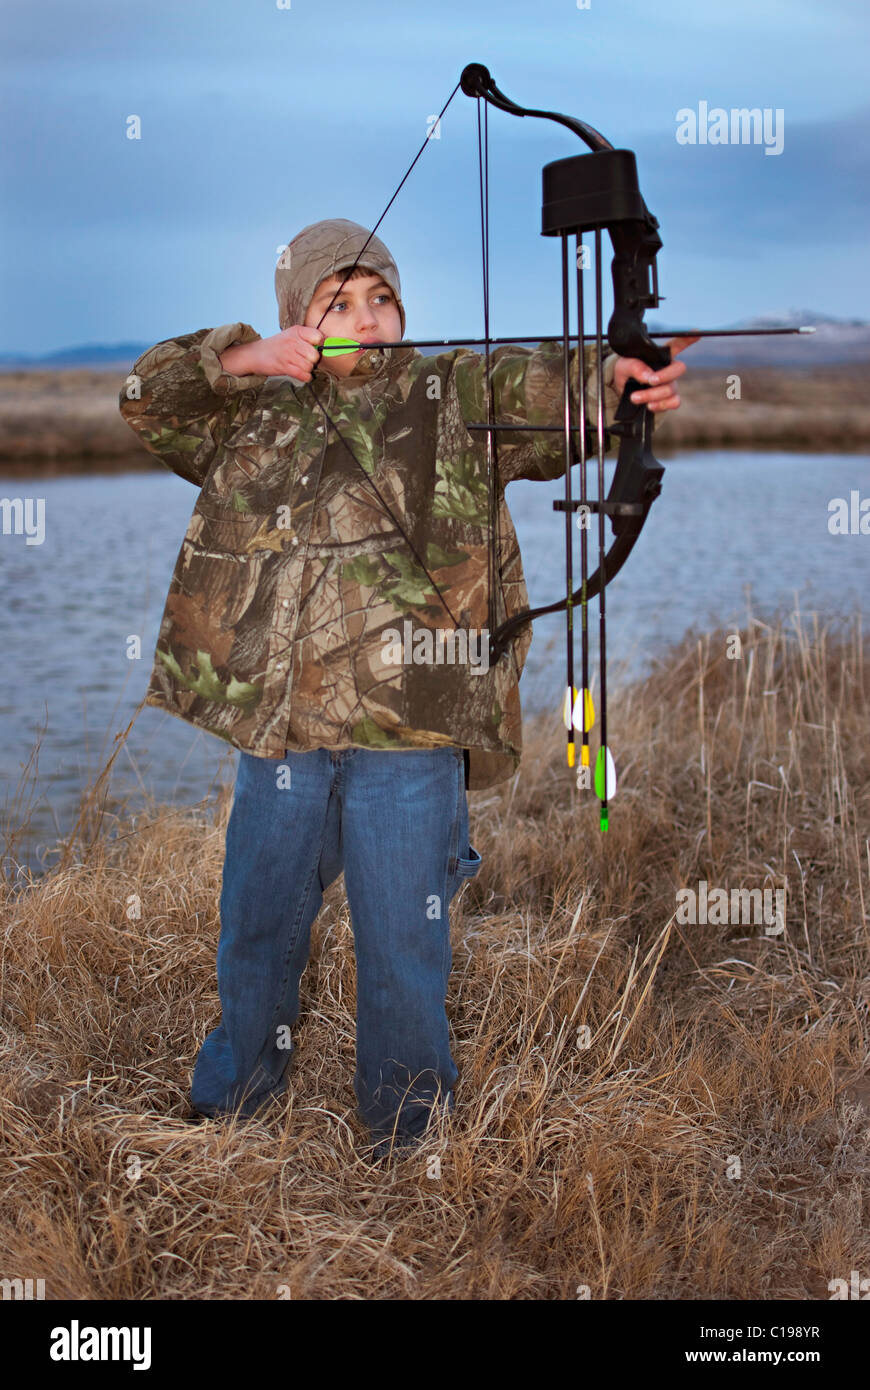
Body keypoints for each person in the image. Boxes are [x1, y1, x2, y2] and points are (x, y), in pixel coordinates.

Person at [119, 218, 690, 1159]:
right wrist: (243, 356)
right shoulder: (246, 413)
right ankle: (237, 1100)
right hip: (286, 730)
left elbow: (546, 389)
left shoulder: (451, 391)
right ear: (295, 320)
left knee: (401, 944)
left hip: (412, 733)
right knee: (259, 927)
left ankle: (407, 1130)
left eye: (381, 299)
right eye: (337, 303)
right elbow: (146, 395)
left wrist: (618, 378)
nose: (368, 319)